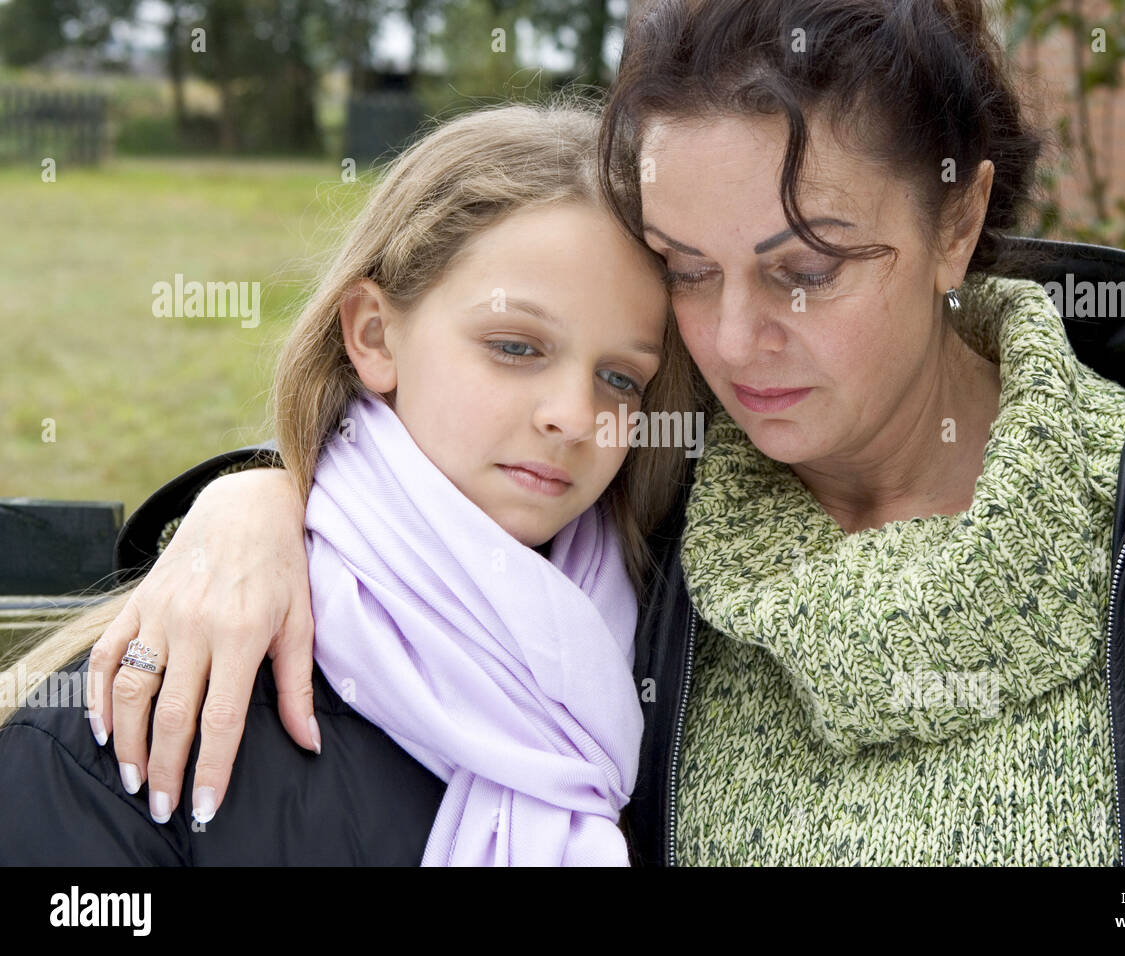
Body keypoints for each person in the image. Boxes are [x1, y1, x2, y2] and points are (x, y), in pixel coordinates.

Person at [73, 0, 1125, 865]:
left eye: (806, 269)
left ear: (958, 219)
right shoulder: (652, 493)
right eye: (686, 271)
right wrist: (249, 501)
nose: (732, 340)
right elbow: (423, 507)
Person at [0, 98, 704, 865]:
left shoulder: (674, 640)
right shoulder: (143, 713)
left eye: (620, 377)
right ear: (373, 334)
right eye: (515, 347)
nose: (574, 416)